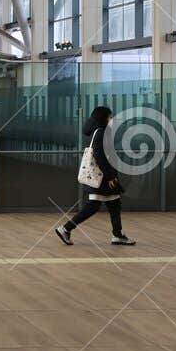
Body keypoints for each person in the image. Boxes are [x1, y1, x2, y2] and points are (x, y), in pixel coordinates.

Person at [56, 105, 135, 246]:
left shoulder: (97, 131)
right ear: (103, 118)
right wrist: (111, 176)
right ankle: (66, 228)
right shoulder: (101, 132)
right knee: (94, 205)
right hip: (103, 177)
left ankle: (117, 234)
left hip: (103, 176)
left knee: (113, 204)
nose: (111, 119)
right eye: (109, 116)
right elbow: (100, 156)